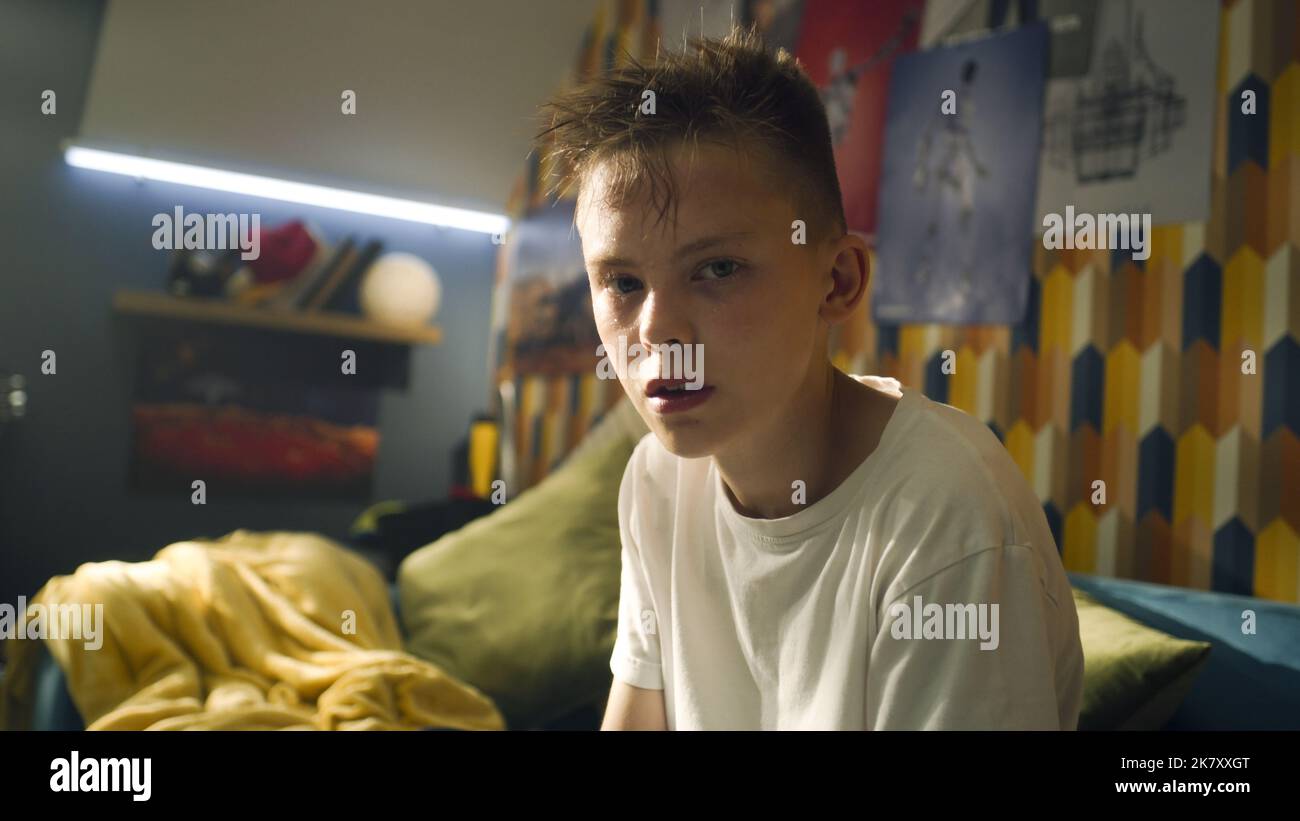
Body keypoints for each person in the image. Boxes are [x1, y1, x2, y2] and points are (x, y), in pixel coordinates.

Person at [534, 26, 1083, 730]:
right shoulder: (656, 481)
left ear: (837, 280)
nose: (657, 334)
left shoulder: (946, 514)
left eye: (718, 268)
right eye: (623, 281)